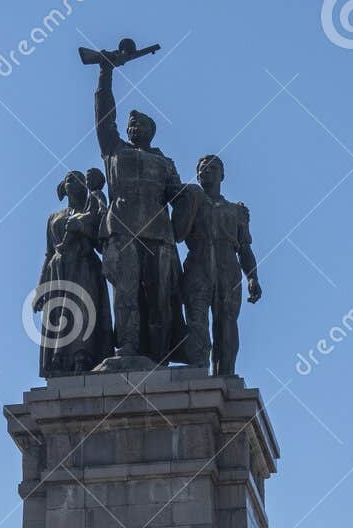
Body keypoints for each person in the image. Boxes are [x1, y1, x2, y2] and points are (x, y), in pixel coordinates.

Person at [92, 58, 186, 364]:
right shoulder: (114, 150)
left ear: (151, 131)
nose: (133, 127)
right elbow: (104, 117)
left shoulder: (165, 163)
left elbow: (181, 199)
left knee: (159, 297)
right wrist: (105, 74)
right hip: (121, 229)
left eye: (140, 124)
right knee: (126, 293)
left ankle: (159, 352)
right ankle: (128, 345)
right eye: (131, 124)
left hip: (159, 234)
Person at [179, 154, 261, 376]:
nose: (207, 171)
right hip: (198, 263)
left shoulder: (236, 211)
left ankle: (225, 374)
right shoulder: (192, 201)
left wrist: (252, 277)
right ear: (197, 175)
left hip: (228, 268)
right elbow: (177, 234)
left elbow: (244, 248)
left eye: (213, 168)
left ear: (222, 175)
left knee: (226, 324)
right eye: (203, 168)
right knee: (196, 321)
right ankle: (198, 370)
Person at [33, 169, 113, 377]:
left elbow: (101, 241)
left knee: (82, 310)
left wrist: (82, 228)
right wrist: (40, 289)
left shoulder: (92, 210)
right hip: (58, 269)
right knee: (59, 314)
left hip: (85, 265)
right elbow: (49, 253)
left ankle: (82, 357)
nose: (74, 182)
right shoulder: (54, 217)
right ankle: (58, 359)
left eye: (78, 180)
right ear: (64, 187)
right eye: (70, 179)